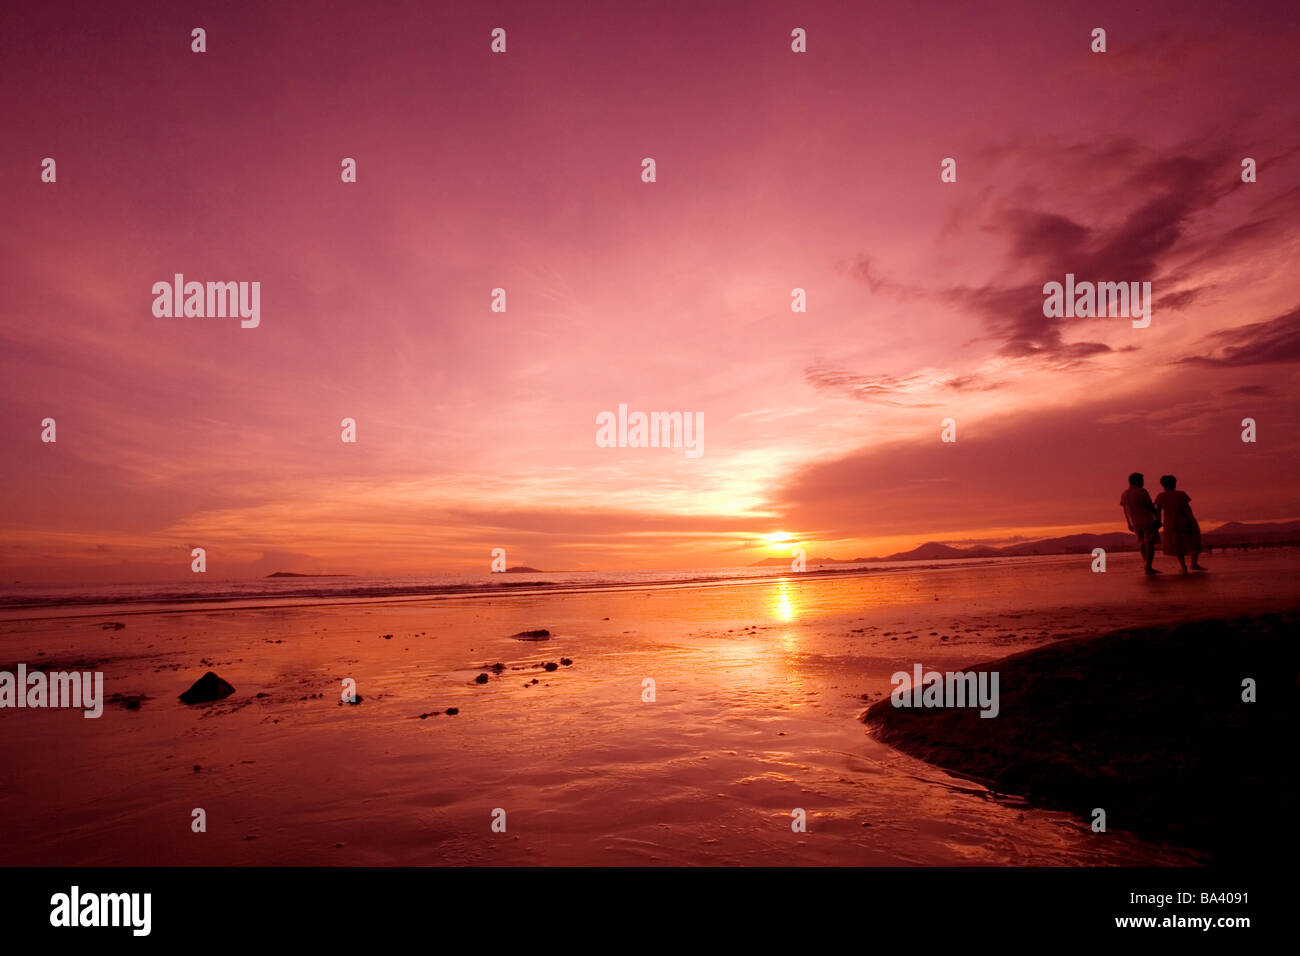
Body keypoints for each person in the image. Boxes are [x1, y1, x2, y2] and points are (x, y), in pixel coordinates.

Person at [1153, 475, 1205, 575]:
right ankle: (1194, 563)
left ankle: (1183, 566)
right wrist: (1193, 521)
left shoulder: (1160, 496)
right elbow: (1187, 510)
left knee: (1177, 545)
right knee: (1193, 540)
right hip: (1183, 520)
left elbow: (1158, 512)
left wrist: (1158, 523)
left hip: (1169, 523)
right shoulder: (1180, 494)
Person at [1120, 472, 1161, 575]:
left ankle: (1146, 564)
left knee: (1142, 544)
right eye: (1141, 481)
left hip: (1135, 523)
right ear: (1136, 481)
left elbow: (1125, 510)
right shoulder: (1142, 491)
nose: (1143, 483)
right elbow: (1150, 506)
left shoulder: (1124, 494)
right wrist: (1158, 518)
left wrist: (1129, 523)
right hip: (1147, 521)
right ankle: (1148, 567)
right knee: (1149, 544)